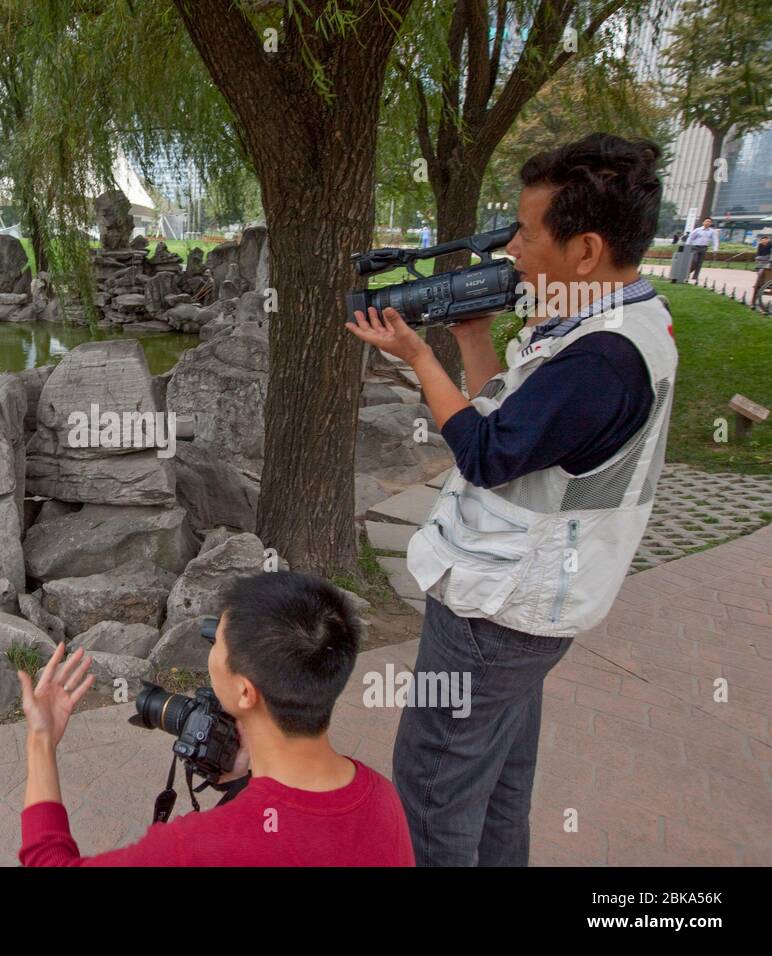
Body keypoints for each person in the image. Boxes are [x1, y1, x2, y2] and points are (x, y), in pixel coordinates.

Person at [345, 132, 676, 866]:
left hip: (495, 612)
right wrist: (471, 339)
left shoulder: (601, 359)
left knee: (432, 791)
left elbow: (488, 453)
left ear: (585, 250)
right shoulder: (607, 326)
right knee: (494, 783)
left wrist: (419, 358)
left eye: (525, 235)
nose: (514, 253)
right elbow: (511, 421)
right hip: (529, 607)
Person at [17, 571, 416, 866]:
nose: (211, 653)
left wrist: (41, 740)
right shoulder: (383, 800)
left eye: (218, 644)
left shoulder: (200, 848)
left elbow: (46, 860)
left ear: (245, 692)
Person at [685, 216, 720, 280]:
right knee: (694, 261)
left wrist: (715, 249)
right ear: (703, 222)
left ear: (711, 223)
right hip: (695, 247)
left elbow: (715, 240)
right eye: (706, 221)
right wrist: (687, 246)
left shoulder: (712, 231)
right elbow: (690, 238)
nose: (707, 223)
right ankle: (687, 273)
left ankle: (695, 277)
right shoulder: (697, 230)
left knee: (699, 263)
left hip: (704, 248)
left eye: (709, 222)